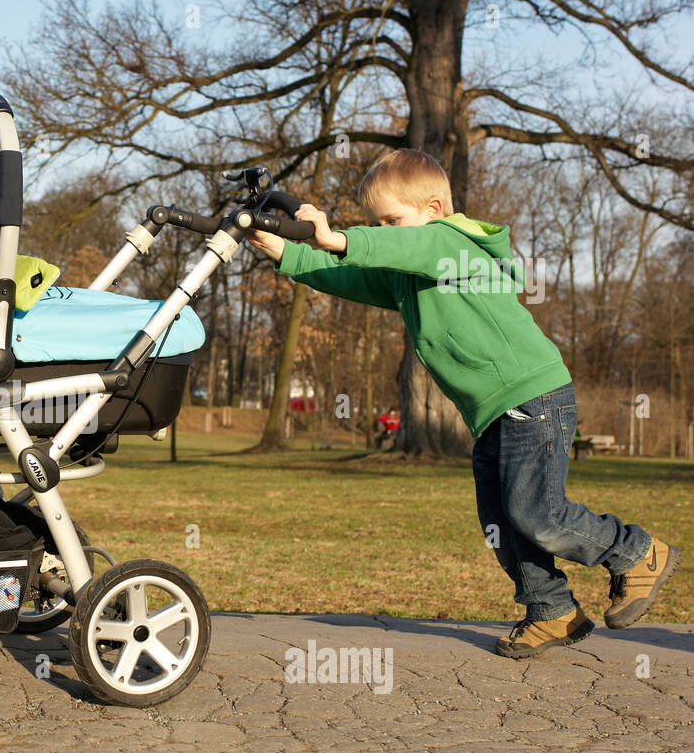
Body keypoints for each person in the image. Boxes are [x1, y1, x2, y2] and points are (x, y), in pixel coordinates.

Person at [247, 149, 680, 658]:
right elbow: (352, 275)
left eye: (393, 221)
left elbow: (406, 245)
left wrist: (335, 235)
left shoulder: (453, 243)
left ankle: (636, 552)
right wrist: (288, 253)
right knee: (500, 520)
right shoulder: (413, 268)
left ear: (433, 208)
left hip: (534, 396)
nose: (385, 231)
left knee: (537, 513)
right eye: (378, 224)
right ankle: (552, 609)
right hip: (495, 412)